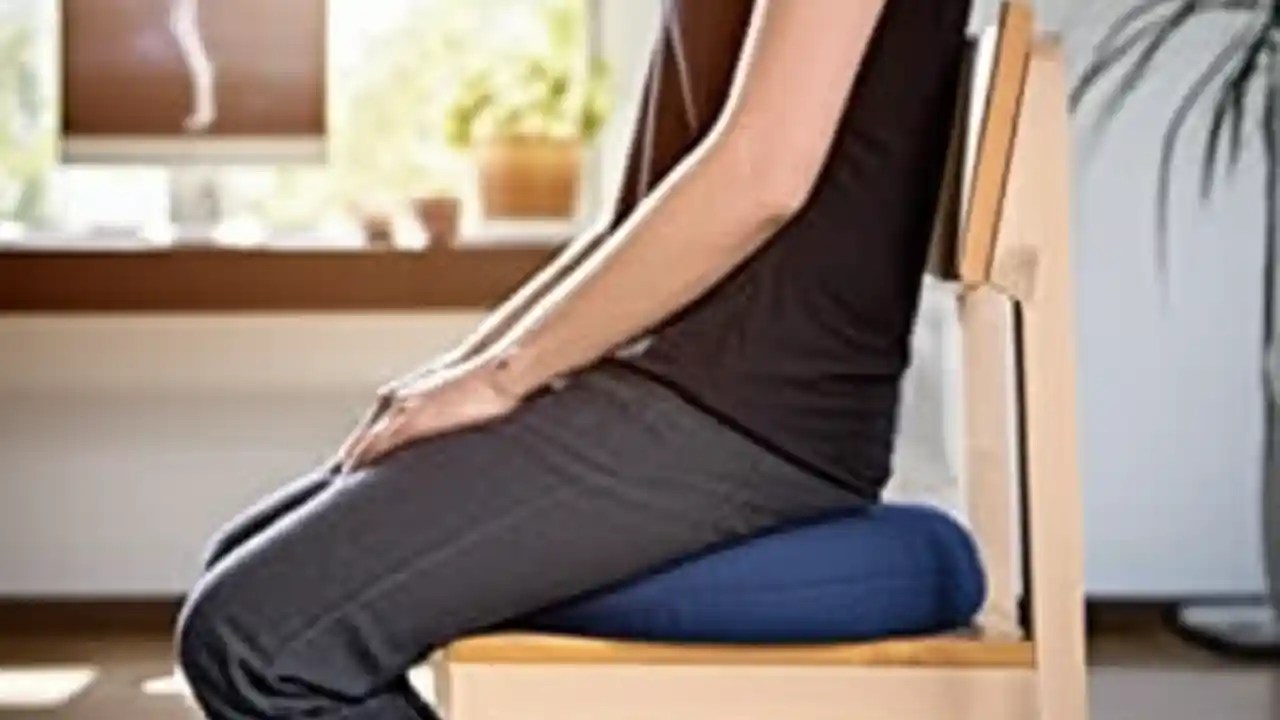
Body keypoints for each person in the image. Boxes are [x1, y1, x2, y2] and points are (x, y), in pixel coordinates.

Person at [175, 0, 972, 717]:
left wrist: (504, 378)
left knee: (258, 640)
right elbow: (631, 220)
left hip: (748, 413)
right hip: (667, 390)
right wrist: (461, 374)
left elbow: (764, 176)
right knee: (248, 569)